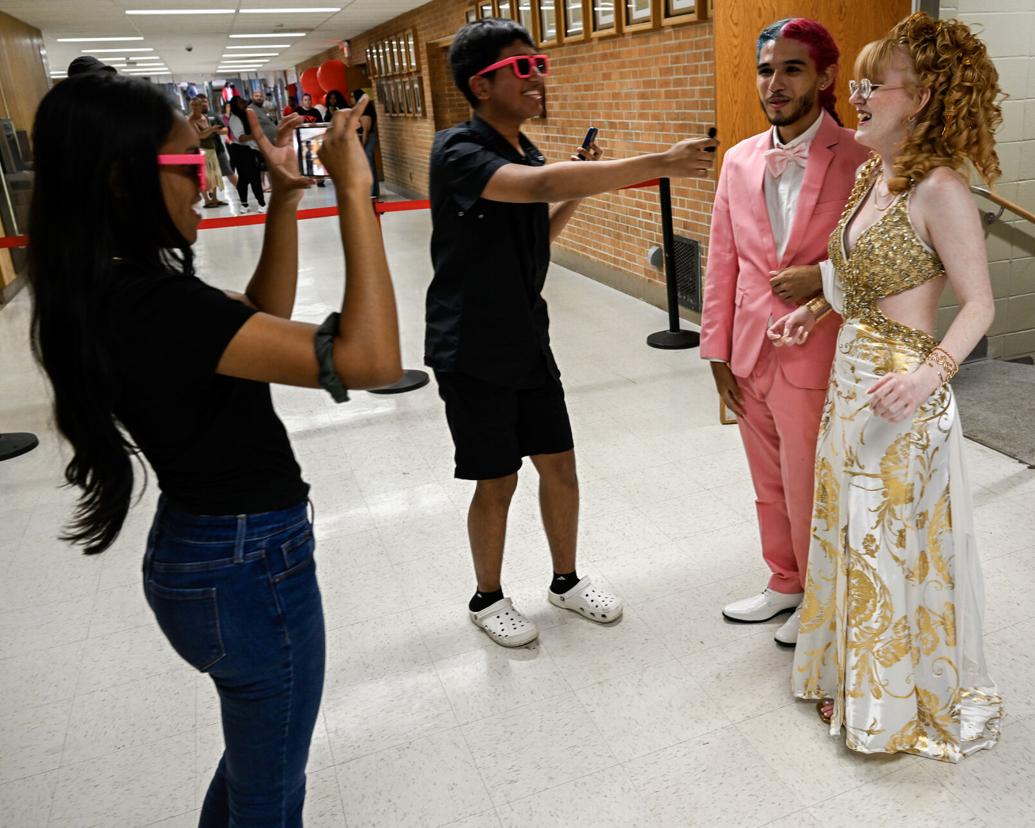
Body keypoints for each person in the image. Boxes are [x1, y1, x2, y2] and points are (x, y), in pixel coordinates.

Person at [27, 72, 400, 822]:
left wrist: (288, 203)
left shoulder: (116, 288)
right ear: (121, 179)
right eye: (189, 167)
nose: (205, 186)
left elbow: (259, 318)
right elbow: (370, 361)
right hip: (246, 568)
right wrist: (355, 194)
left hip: (206, 557)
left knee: (256, 765)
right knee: (271, 791)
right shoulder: (152, 306)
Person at [426, 19, 717, 646]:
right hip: (470, 345)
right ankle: (487, 597)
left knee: (560, 465)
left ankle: (565, 582)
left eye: (541, 65)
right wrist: (660, 161)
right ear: (482, 84)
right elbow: (545, 183)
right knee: (497, 477)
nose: (539, 79)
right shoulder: (458, 151)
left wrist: (575, 192)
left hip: (526, 337)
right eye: (524, 68)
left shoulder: (523, 151)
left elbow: (539, 231)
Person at [768, 12, 1003, 760]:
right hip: (851, 386)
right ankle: (855, 674)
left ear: (924, 97)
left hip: (901, 394)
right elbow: (861, 277)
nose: (858, 95)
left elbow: (979, 305)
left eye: (875, 83)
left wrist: (926, 377)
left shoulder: (940, 190)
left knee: (886, 547)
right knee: (849, 536)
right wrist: (811, 310)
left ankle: (894, 702)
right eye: (858, 81)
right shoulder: (875, 174)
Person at [699, 18, 869, 646]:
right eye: (767, 69)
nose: (775, 83)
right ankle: (783, 581)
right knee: (766, 480)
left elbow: (885, 250)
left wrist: (823, 276)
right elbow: (722, 261)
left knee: (808, 483)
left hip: (817, 348)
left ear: (825, 77)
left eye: (792, 69)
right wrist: (714, 349)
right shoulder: (740, 159)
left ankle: (821, 599)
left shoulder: (861, 155)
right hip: (747, 349)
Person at [228, 95, 266, 212]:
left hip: (248, 150)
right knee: (252, 178)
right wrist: (255, 135)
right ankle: (261, 204)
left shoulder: (246, 115)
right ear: (235, 106)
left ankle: (245, 205)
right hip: (242, 151)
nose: (243, 104)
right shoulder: (235, 118)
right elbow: (241, 138)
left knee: (245, 179)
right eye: (240, 102)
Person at [189, 95, 227, 208]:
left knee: (214, 174)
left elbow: (221, 130)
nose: (196, 108)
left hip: (211, 148)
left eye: (198, 105)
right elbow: (200, 135)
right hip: (199, 150)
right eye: (193, 105)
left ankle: (215, 198)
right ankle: (206, 199)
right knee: (204, 176)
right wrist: (212, 129)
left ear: (202, 106)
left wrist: (213, 130)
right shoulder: (191, 120)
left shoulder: (205, 116)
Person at [352, 87, 380, 198]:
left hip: (367, 139)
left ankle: (372, 192)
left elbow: (365, 131)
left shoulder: (366, 111)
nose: (350, 99)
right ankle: (371, 191)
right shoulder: (361, 110)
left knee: (369, 165)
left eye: (352, 97)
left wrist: (362, 146)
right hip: (366, 139)